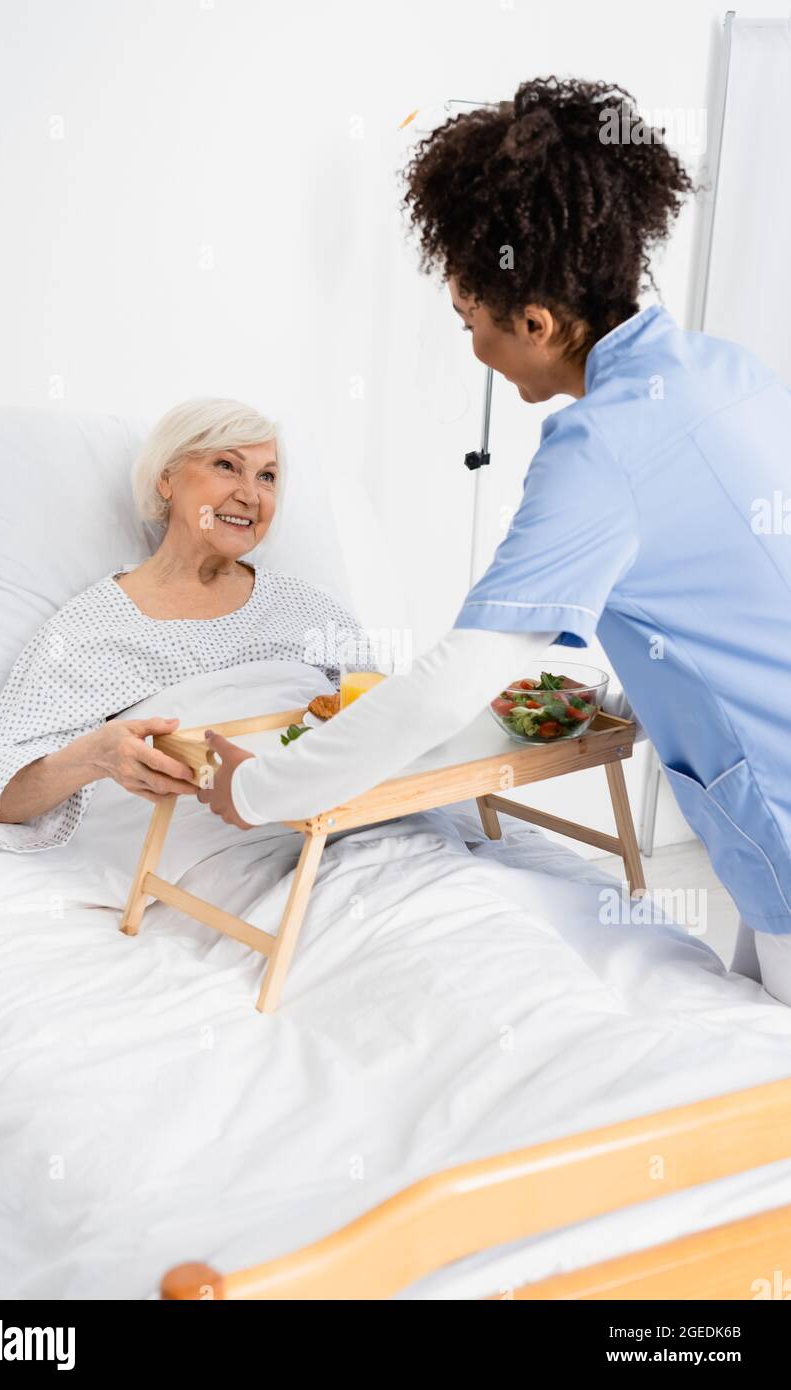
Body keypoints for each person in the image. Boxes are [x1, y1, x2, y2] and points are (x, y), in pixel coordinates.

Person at [200, 78, 791, 1004]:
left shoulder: (601, 447)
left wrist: (258, 792)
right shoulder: (728, 371)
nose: (472, 345)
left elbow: (445, 688)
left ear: (536, 322)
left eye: (469, 323)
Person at [0, 398, 364, 851]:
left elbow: (386, 715)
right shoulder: (92, 628)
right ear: (165, 479)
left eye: (267, 476)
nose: (251, 495)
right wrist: (94, 756)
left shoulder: (306, 609)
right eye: (226, 465)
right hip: (232, 852)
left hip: (359, 825)